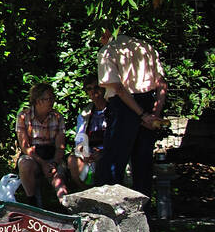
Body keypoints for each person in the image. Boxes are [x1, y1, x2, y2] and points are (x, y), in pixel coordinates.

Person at [96, 24, 167, 195]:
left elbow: (119, 89)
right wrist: (154, 114)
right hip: (148, 103)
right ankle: (143, 208)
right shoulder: (146, 47)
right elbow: (162, 83)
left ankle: (111, 207)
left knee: (113, 165)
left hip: (124, 106)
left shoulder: (107, 51)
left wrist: (142, 115)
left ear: (106, 33)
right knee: (143, 165)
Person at [15, 83, 70, 206]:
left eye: (52, 98)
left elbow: (60, 147)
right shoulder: (24, 116)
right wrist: (43, 163)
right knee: (25, 164)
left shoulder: (58, 117)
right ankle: (32, 202)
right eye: (48, 99)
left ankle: (67, 206)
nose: (52, 102)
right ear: (38, 100)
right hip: (33, 155)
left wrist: (53, 164)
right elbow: (25, 147)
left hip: (52, 155)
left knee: (59, 180)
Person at [68, 78, 110, 186]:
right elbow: (80, 140)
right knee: (73, 160)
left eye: (96, 87)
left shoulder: (113, 110)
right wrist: (85, 152)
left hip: (109, 151)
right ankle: (85, 191)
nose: (93, 91)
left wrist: (103, 152)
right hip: (90, 154)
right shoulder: (85, 113)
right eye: (89, 89)